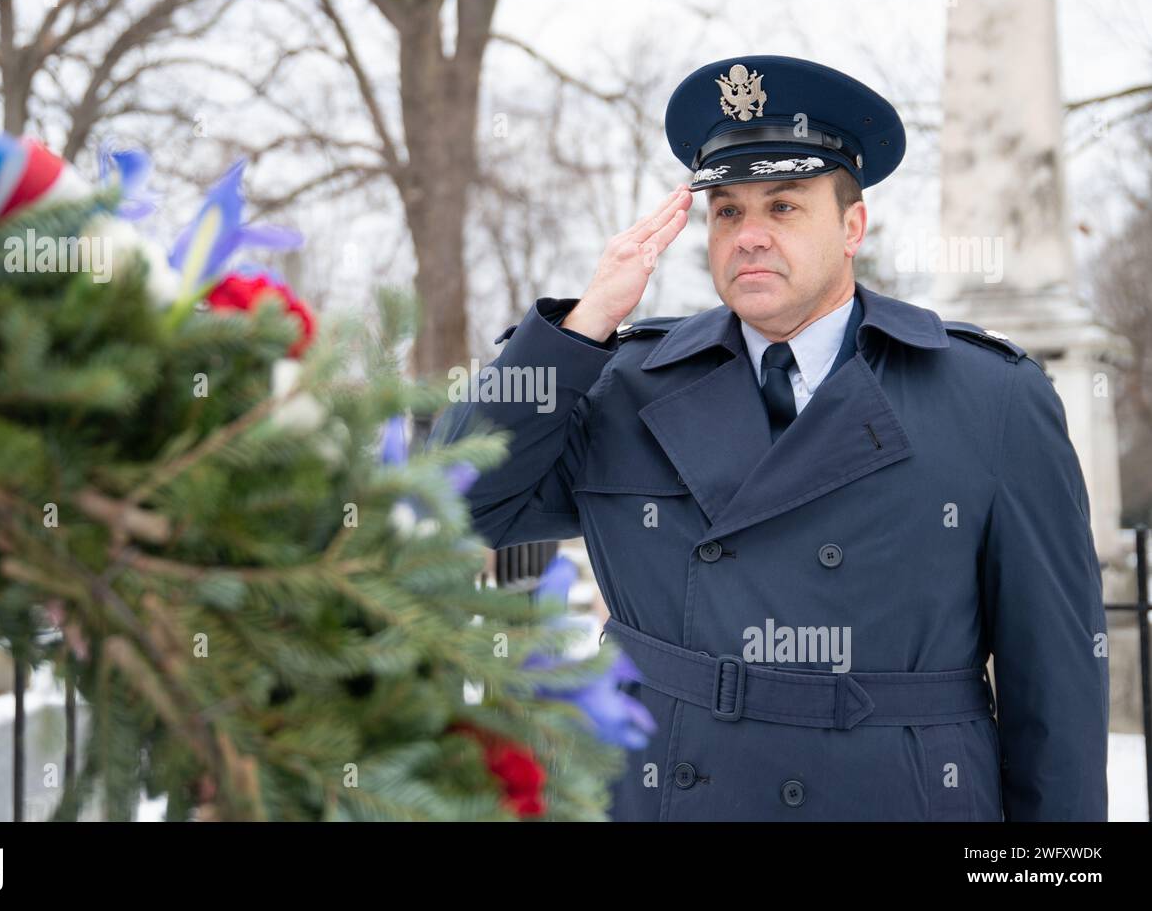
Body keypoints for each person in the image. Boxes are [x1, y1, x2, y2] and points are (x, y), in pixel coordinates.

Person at [431, 55, 1109, 821]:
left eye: (783, 207)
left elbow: (1055, 685)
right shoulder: (624, 384)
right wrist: (582, 325)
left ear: (852, 226)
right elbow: (456, 504)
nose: (748, 235)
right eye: (727, 212)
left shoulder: (991, 399)